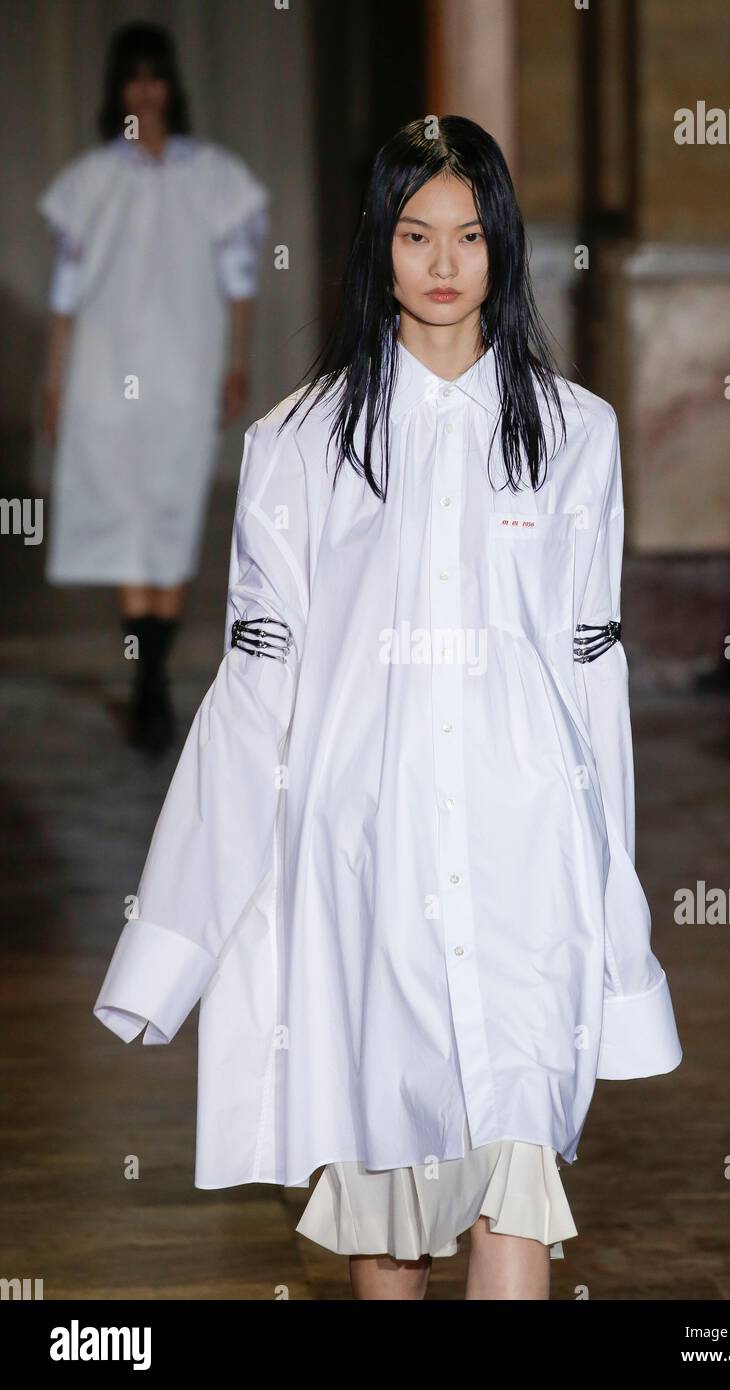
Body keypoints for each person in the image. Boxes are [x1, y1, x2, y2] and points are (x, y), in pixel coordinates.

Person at [92, 115, 683, 1301]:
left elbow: (592, 684)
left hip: (524, 860)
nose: (444, 262)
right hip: (364, 869)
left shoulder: (576, 435)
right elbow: (255, 694)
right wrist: (173, 940)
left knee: (515, 1173)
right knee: (389, 1220)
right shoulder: (300, 443)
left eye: (469, 234)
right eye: (416, 235)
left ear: (501, 245)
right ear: (380, 244)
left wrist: (612, 909)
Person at [36, 21, 270, 753]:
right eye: (133, 77)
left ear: (171, 85)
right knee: (124, 512)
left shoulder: (215, 177)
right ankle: (147, 678)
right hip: (104, 372)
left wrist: (237, 362)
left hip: (184, 367)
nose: (145, 90)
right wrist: (54, 379)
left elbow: (239, 283)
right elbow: (66, 292)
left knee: (170, 509)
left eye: (155, 75)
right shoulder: (91, 181)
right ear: (120, 88)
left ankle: (154, 674)